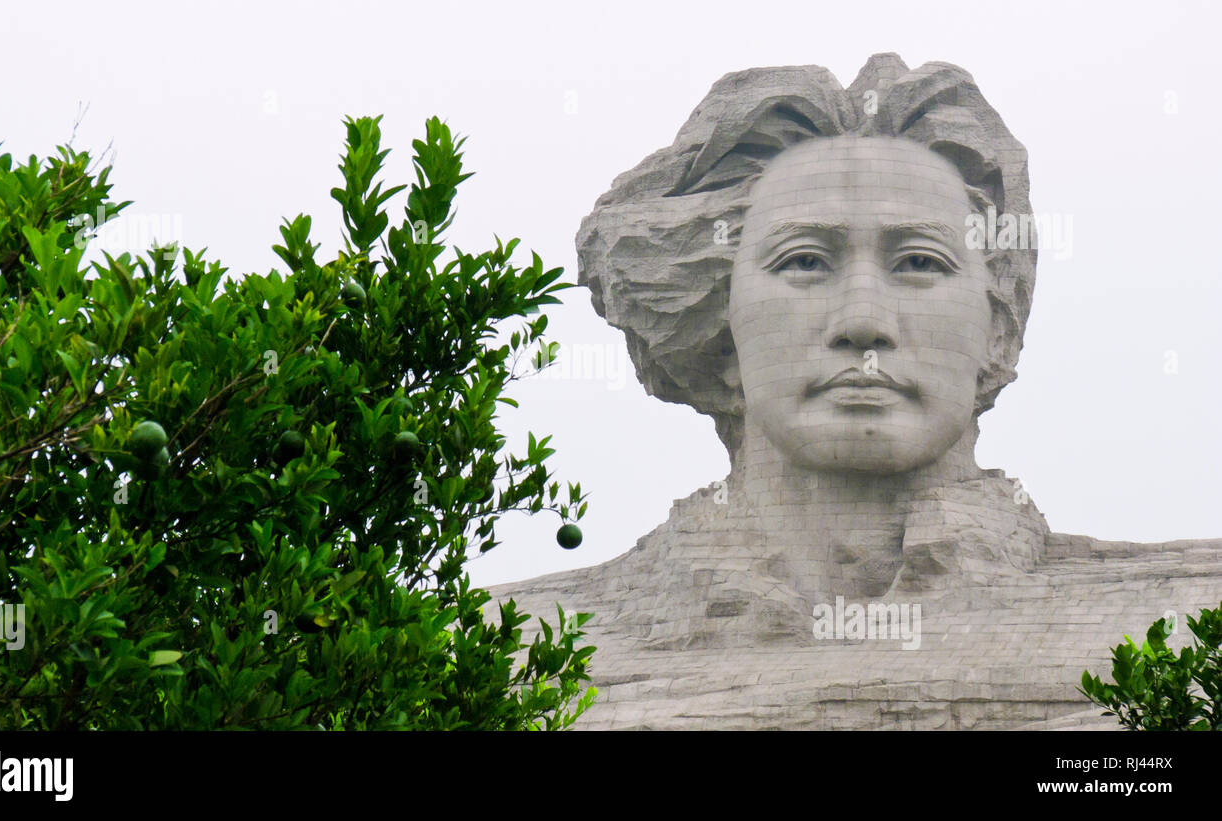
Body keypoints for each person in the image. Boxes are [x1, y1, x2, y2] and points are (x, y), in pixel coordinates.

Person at [492, 54, 1222, 729]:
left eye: (919, 262)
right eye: (806, 261)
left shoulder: (1191, 627)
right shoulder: (503, 654)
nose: (865, 321)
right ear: (719, 330)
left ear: (997, 328)